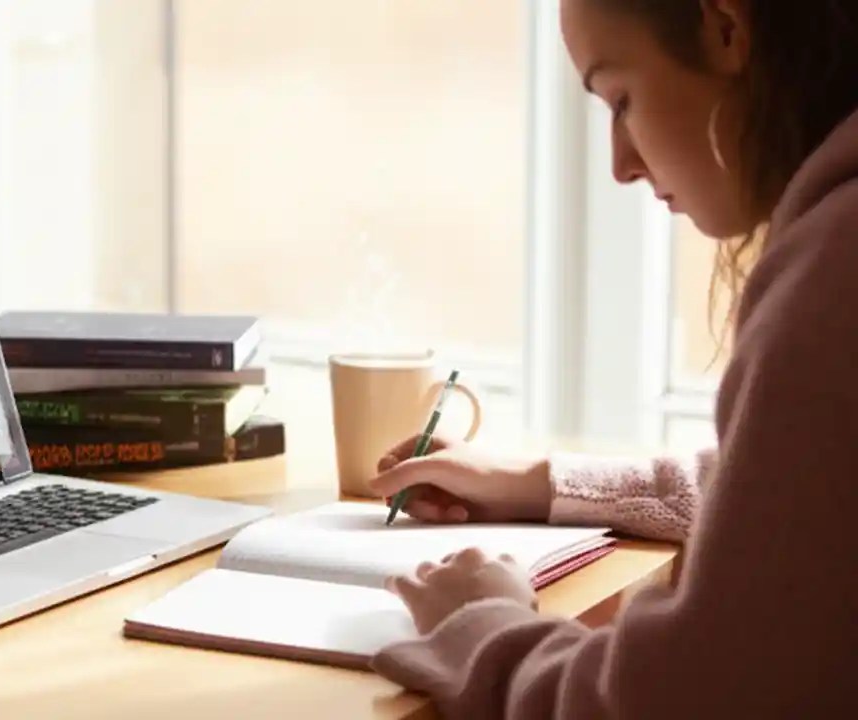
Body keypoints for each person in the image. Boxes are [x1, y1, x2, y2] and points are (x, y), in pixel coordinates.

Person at [364, 1, 858, 717]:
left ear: (726, 29)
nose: (621, 164)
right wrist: (545, 483)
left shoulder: (836, 274)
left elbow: (692, 697)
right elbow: (803, 495)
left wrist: (477, 629)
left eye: (620, 98)